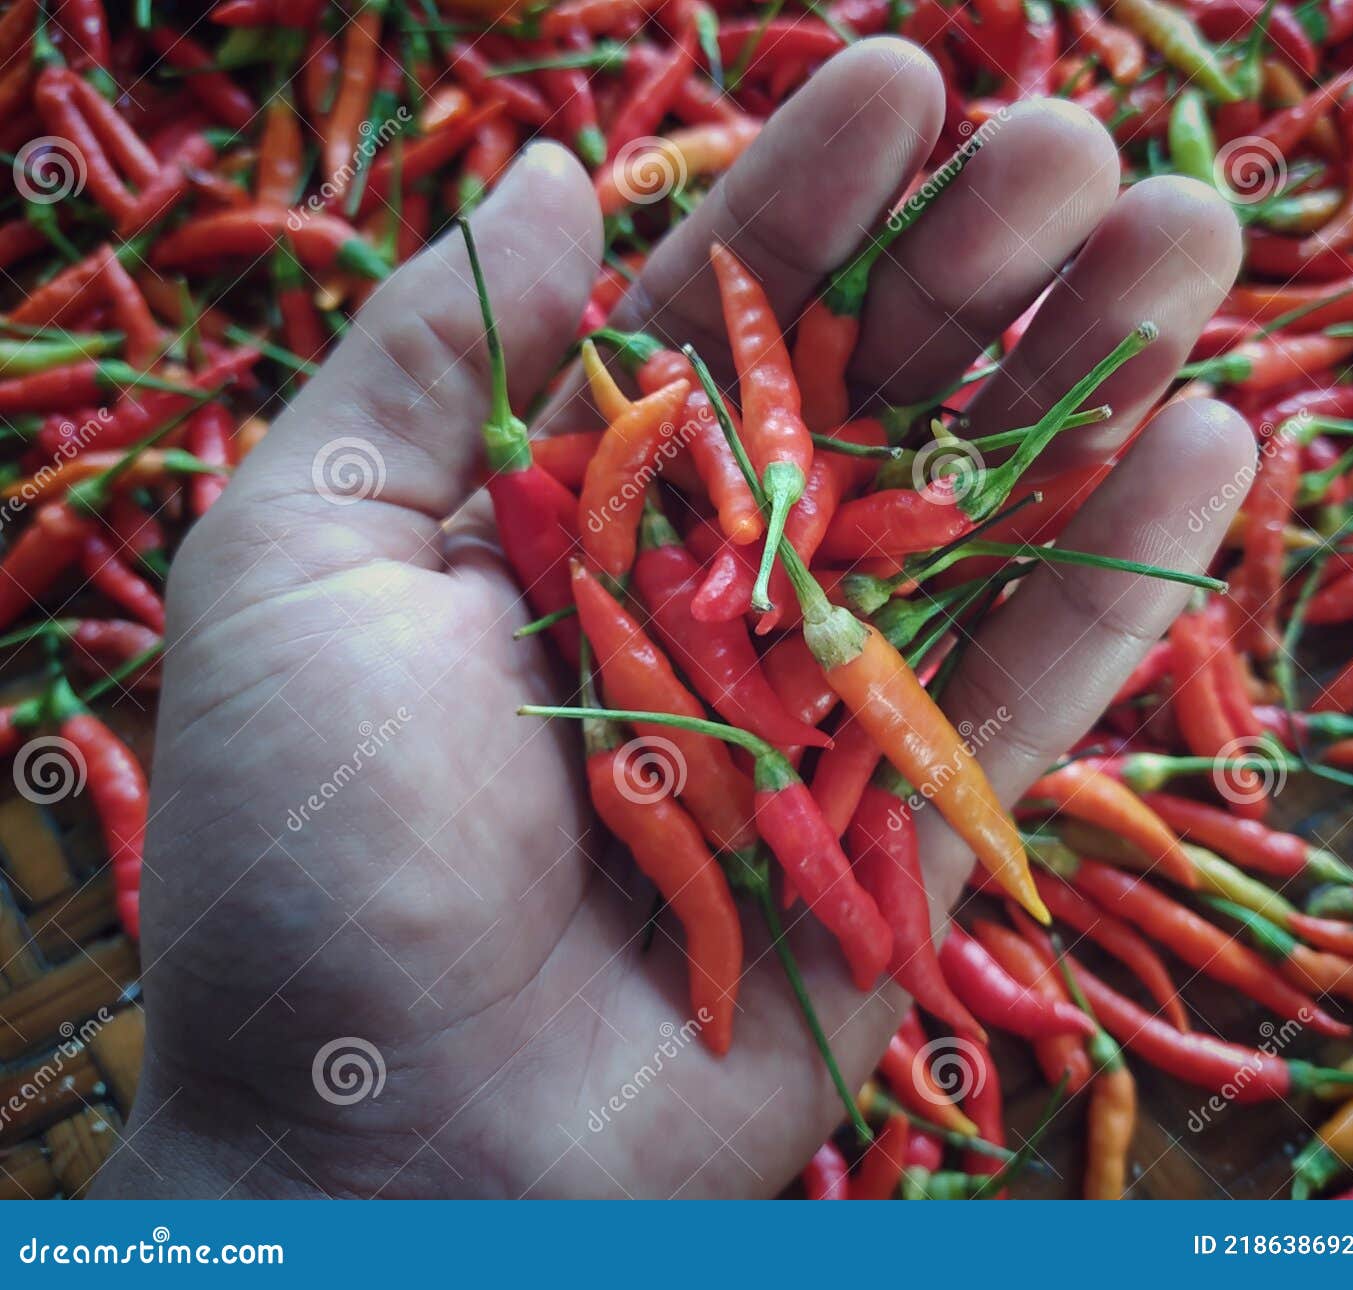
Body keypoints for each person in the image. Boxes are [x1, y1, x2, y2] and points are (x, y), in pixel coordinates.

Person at [95, 39, 1253, 1199]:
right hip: (746, 655)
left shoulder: (726, 557)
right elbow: (707, 608)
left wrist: (277, 1165)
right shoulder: (656, 565)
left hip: (771, 635)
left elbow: (746, 618)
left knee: (813, 682)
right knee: (808, 695)